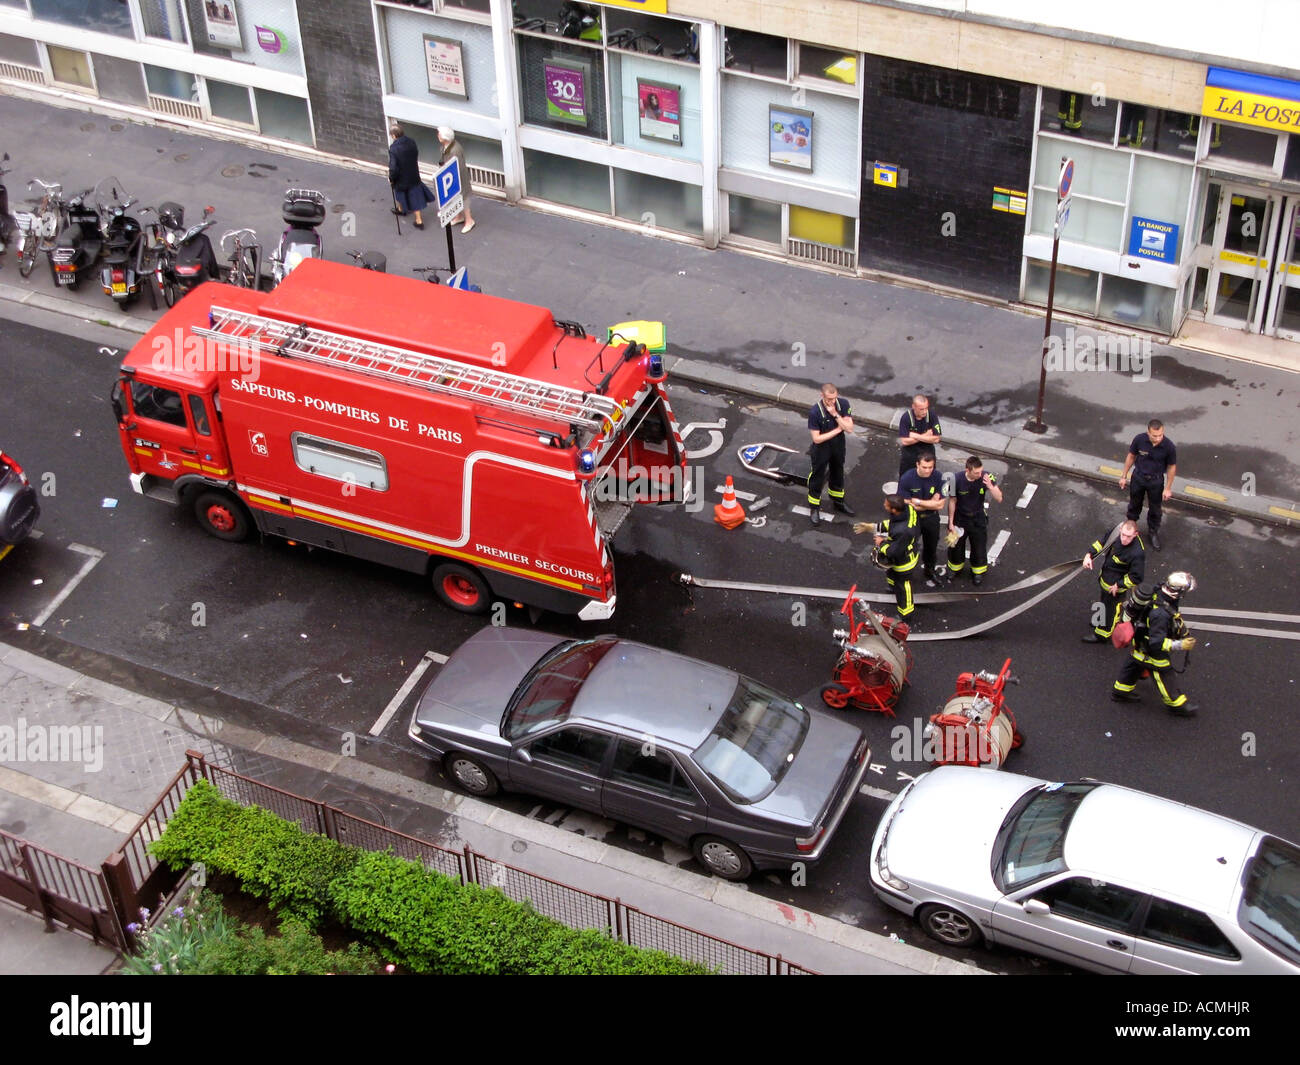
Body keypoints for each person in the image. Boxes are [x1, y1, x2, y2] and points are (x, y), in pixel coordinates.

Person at [1112, 571, 1197, 715]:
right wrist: (1180, 645)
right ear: (1178, 592)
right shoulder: (1161, 614)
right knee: (1164, 672)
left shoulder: (1158, 591)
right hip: (1150, 647)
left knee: (1135, 662)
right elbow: (1157, 643)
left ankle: (1121, 690)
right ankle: (1176, 704)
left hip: (1140, 640)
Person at [1081, 519, 1145, 643]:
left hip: (1115, 588)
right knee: (1103, 602)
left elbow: (1136, 576)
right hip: (1106, 579)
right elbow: (1102, 542)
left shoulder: (1137, 553)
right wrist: (1089, 555)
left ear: (1135, 535)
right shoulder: (1116, 532)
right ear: (1120, 530)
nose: (1124, 539)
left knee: (1111, 610)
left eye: (1128, 537)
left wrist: (1119, 585)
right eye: (1123, 535)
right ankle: (1099, 620)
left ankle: (1102, 634)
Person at [1120, 418, 1177, 551]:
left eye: (1160, 435)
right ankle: (1130, 529)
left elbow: (1171, 467)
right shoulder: (1139, 440)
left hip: (1156, 481)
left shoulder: (1169, 446)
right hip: (1138, 477)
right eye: (1154, 435)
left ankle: (1153, 532)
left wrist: (1168, 488)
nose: (1158, 438)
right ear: (1148, 432)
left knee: (1155, 509)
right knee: (1134, 504)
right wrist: (1124, 476)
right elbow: (1131, 456)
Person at [946, 455, 1002, 586]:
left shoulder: (986, 476)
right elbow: (952, 501)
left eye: (980, 471)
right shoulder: (956, 480)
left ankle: (978, 571)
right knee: (954, 545)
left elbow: (999, 498)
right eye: (976, 472)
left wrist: (990, 486)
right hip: (960, 518)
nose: (979, 474)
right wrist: (951, 523)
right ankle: (955, 568)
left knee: (979, 547)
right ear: (968, 470)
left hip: (977, 518)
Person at [864, 495, 920, 620]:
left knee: (903, 587)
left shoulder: (903, 531)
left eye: (886, 505)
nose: (884, 505)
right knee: (892, 575)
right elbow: (893, 524)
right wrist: (876, 527)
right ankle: (892, 586)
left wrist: (881, 542)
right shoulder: (908, 509)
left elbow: (893, 552)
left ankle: (905, 613)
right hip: (907, 549)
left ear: (894, 509)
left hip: (904, 562)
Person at [806, 383, 855, 525]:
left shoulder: (843, 404)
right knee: (817, 476)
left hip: (838, 446)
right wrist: (839, 429)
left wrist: (835, 415)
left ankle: (838, 501)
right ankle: (814, 507)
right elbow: (817, 438)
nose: (832, 401)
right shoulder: (815, 412)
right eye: (829, 399)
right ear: (822, 396)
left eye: (834, 398)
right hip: (821, 449)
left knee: (838, 473)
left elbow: (850, 428)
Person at [897, 449, 945, 585]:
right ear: (917, 465)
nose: (928, 470)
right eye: (924, 467)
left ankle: (929, 571)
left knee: (931, 546)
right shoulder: (907, 478)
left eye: (931, 467)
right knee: (908, 546)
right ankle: (904, 574)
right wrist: (930, 503)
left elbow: (940, 505)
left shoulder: (938, 477)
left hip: (931, 518)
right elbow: (904, 500)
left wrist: (918, 502)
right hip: (913, 518)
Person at [388, 123, 431, 229]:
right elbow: (415, 154)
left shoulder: (393, 148)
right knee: (415, 196)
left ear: (393, 135)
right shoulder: (411, 141)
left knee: (399, 192)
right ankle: (419, 220)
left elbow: (393, 167)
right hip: (413, 173)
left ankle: (401, 209)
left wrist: (391, 178)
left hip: (401, 177)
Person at [437, 126, 476, 234]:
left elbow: (457, 167)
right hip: (453, 179)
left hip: (459, 179)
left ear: (445, 138)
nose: (437, 135)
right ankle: (459, 216)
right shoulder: (446, 146)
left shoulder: (455, 150)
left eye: (439, 134)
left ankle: (469, 221)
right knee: (456, 199)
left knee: (464, 200)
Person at [897, 394, 942, 477]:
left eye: (926, 408)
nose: (924, 411)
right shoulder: (906, 418)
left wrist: (915, 436)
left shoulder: (931, 415)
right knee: (906, 478)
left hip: (928, 453)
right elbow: (905, 441)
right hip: (910, 454)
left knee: (930, 477)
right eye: (921, 409)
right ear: (913, 406)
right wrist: (926, 435)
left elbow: (936, 439)